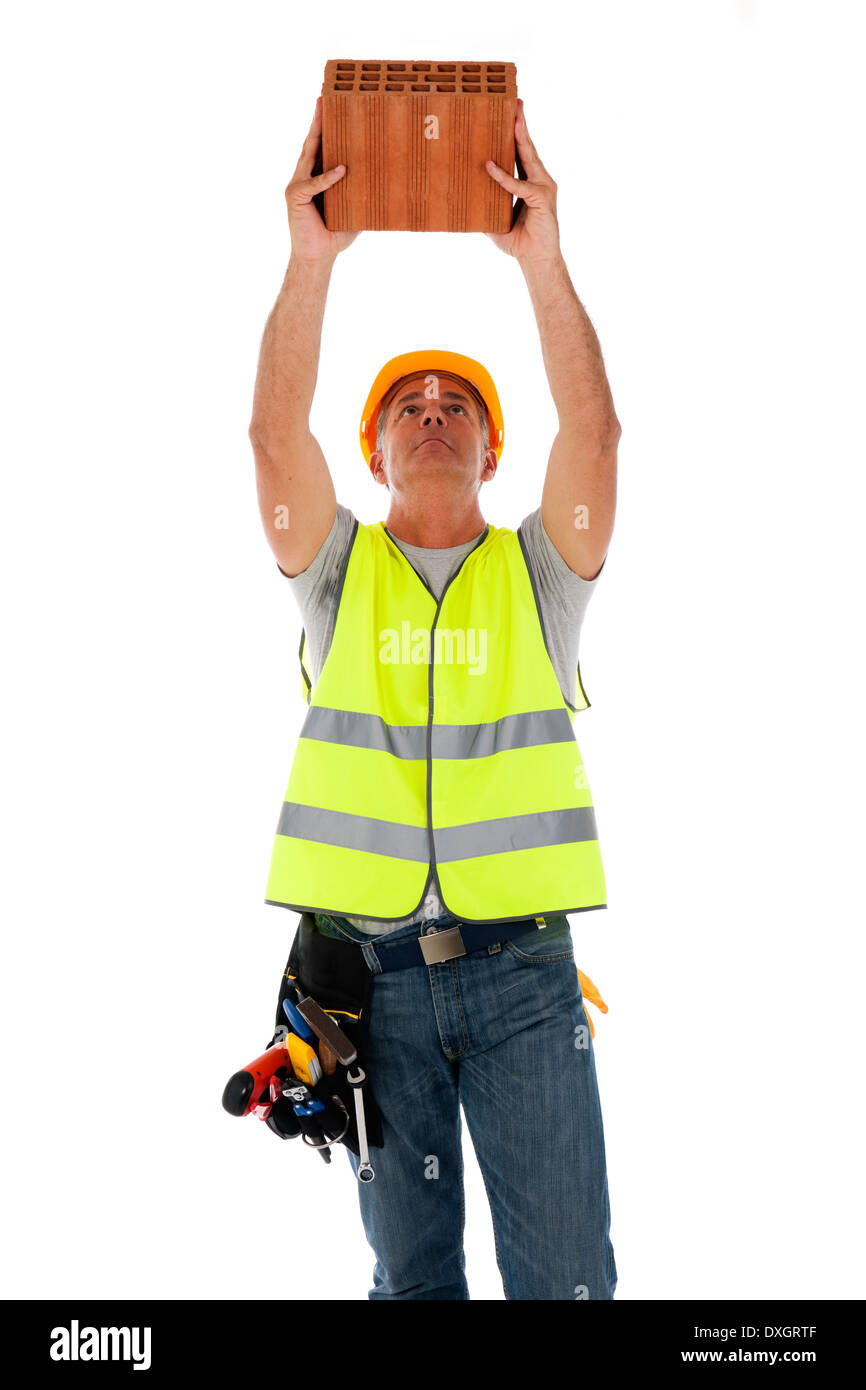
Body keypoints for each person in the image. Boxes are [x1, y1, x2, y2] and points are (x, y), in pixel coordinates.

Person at [247, 94, 621, 1301]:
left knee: (564, 1281)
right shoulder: (338, 578)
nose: (431, 412)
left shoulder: (538, 580)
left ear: (490, 450)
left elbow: (597, 439)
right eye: (406, 405)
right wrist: (312, 260)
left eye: (456, 404)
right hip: (371, 988)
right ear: (373, 451)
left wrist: (540, 260)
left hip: (523, 979)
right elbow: (271, 442)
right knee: (410, 1286)